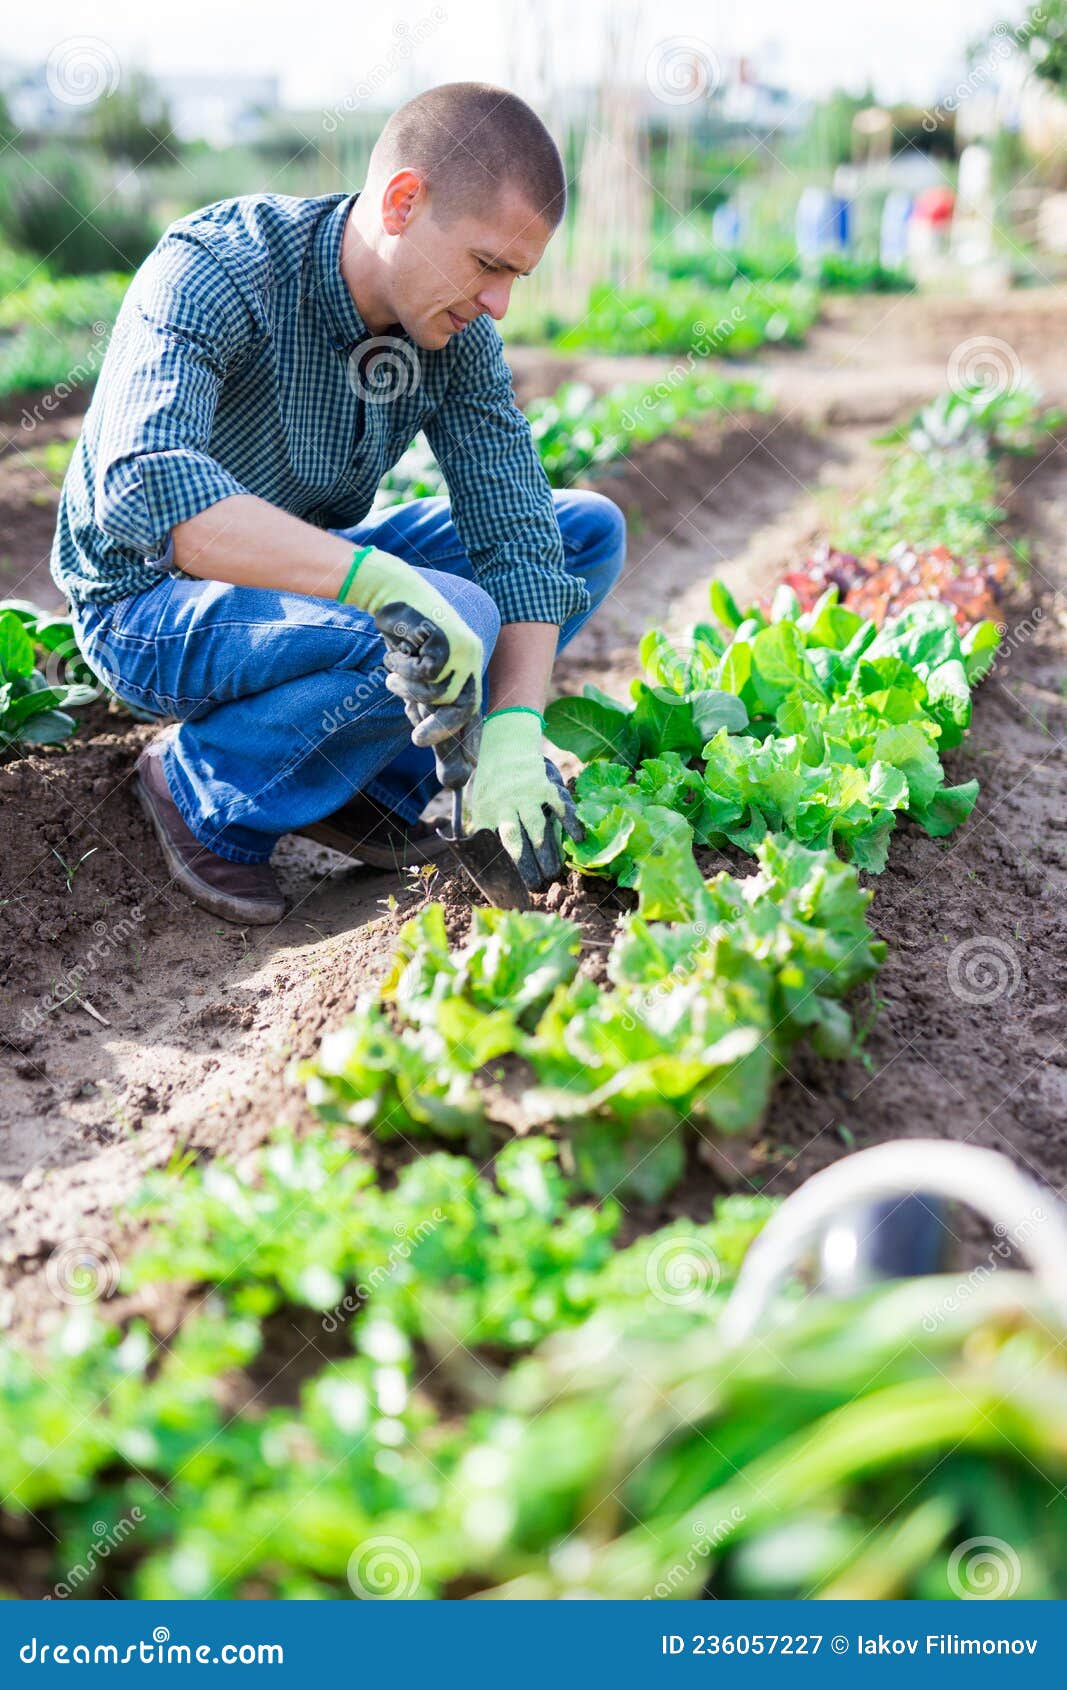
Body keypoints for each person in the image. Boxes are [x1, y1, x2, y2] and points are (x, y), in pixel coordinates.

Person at [52, 81, 625, 924]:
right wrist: (374, 584)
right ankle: (201, 790)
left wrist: (510, 729)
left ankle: (358, 782)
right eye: (487, 265)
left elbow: (519, 535)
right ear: (402, 202)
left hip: (282, 591)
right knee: (442, 610)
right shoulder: (219, 266)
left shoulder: (451, 332)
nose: (498, 302)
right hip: (146, 604)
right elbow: (148, 484)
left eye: (516, 276)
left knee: (583, 533)